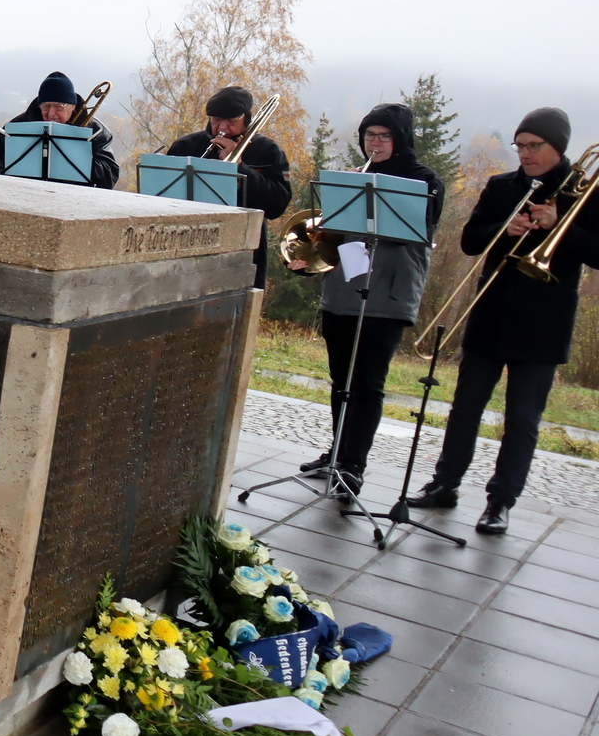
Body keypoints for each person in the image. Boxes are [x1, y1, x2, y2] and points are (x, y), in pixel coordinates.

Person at [409, 109, 597, 535]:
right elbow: (471, 241)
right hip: (492, 312)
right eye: (520, 145)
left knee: (523, 419)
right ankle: (445, 483)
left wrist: (560, 227)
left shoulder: (584, 194)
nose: (525, 154)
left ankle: (501, 502)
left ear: (558, 148)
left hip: (544, 323)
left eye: (535, 146)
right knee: (464, 408)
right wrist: (504, 228)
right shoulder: (501, 186)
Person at [288, 104, 444, 499]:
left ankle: (354, 464)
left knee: (368, 383)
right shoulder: (351, 180)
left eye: (383, 136)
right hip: (343, 289)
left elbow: (419, 232)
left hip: (388, 294)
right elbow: (335, 238)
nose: (374, 143)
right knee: (341, 380)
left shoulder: (425, 181)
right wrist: (308, 256)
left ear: (401, 139)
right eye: (369, 136)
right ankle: (337, 453)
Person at [165, 86, 292, 289]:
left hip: (244, 249)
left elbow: (277, 206)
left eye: (231, 121)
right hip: (190, 245)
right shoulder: (185, 146)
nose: (222, 127)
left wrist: (242, 169)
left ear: (246, 118)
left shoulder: (268, 151)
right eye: (216, 120)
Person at [0, 72, 119, 189]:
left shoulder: (96, 131)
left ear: (73, 106)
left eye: (59, 107)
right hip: (26, 196)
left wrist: (76, 153)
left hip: (75, 200)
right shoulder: (17, 126)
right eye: (46, 106)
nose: (51, 113)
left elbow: (109, 177)